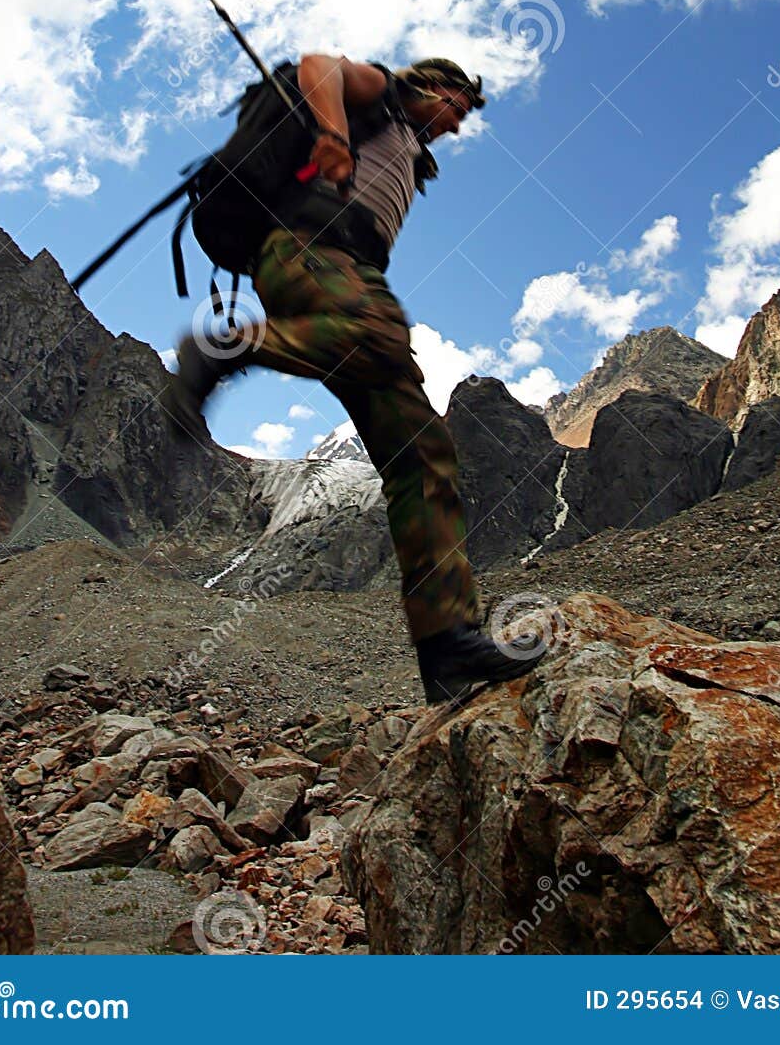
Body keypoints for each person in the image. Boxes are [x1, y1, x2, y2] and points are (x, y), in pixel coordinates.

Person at [164, 55, 547, 704]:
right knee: (375, 336)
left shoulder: (404, 140)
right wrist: (335, 138)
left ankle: (446, 646)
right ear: (434, 86)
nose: (456, 125)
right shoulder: (384, 93)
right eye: (458, 106)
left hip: (338, 270)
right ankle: (228, 348)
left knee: (421, 455)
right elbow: (319, 64)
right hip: (313, 254)